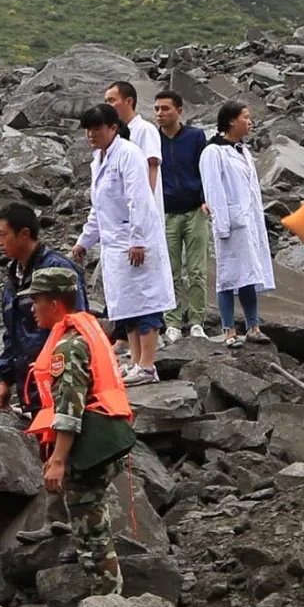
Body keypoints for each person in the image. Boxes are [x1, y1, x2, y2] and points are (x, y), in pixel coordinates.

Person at [22, 267, 135, 597]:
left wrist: (58, 459)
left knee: (92, 534)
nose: (32, 308)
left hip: (87, 447)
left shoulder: (67, 347)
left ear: (55, 304)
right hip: (106, 435)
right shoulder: (87, 333)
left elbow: (69, 409)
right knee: (92, 523)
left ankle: (109, 603)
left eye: (36, 301)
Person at [72, 104, 175, 386]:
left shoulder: (128, 155)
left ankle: (148, 364)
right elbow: (99, 208)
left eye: (97, 128)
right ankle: (135, 362)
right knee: (127, 306)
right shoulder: (99, 160)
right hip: (115, 244)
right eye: (88, 129)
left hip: (134, 240)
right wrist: (84, 241)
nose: (91, 134)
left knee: (146, 302)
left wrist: (138, 240)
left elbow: (138, 199)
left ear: (113, 128)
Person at [0, 203, 87, 415]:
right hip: (31, 385)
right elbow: (12, 333)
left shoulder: (58, 271)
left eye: (3, 234)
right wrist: (6, 380)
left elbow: (75, 324)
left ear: (24, 234)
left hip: (58, 384)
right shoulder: (12, 278)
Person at [200, 101, 275, 347]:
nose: (250, 121)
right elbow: (213, 189)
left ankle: (253, 326)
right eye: (245, 117)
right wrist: (222, 224)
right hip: (230, 223)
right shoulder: (214, 151)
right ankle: (229, 330)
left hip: (248, 221)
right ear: (232, 121)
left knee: (249, 273)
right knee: (228, 275)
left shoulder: (242, 150)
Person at [154, 91, 210, 342]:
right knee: (170, 269)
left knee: (197, 268)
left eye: (165, 108)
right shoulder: (153, 139)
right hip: (166, 213)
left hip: (195, 210)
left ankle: (197, 320)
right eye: (157, 109)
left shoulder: (195, 137)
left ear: (179, 110)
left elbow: (204, 169)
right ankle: (173, 320)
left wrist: (205, 198)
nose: (160, 114)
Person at [106, 81, 164, 215]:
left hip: (143, 209)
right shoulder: (114, 134)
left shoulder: (144, 129)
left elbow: (152, 165)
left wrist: (144, 203)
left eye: (112, 101)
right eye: (106, 101)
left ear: (129, 101)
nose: (108, 106)